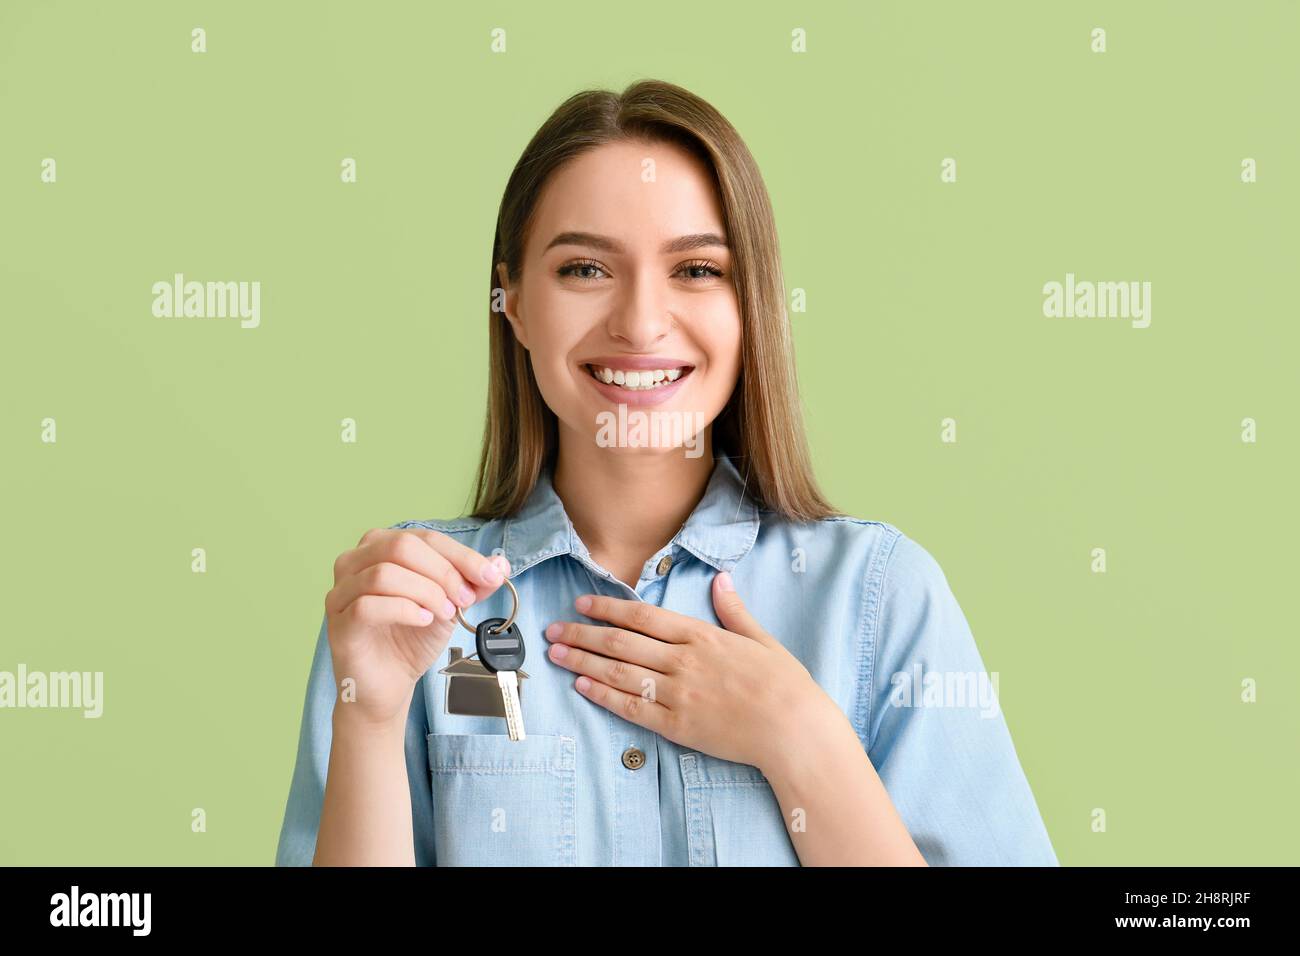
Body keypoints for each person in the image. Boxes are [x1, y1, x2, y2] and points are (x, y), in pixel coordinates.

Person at [275, 78, 1058, 867]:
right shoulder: (408, 608)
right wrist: (370, 720)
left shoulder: (882, 598)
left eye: (697, 270)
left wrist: (800, 739)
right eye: (584, 269)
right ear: (509, 300)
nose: (642, 322)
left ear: (753, 304)